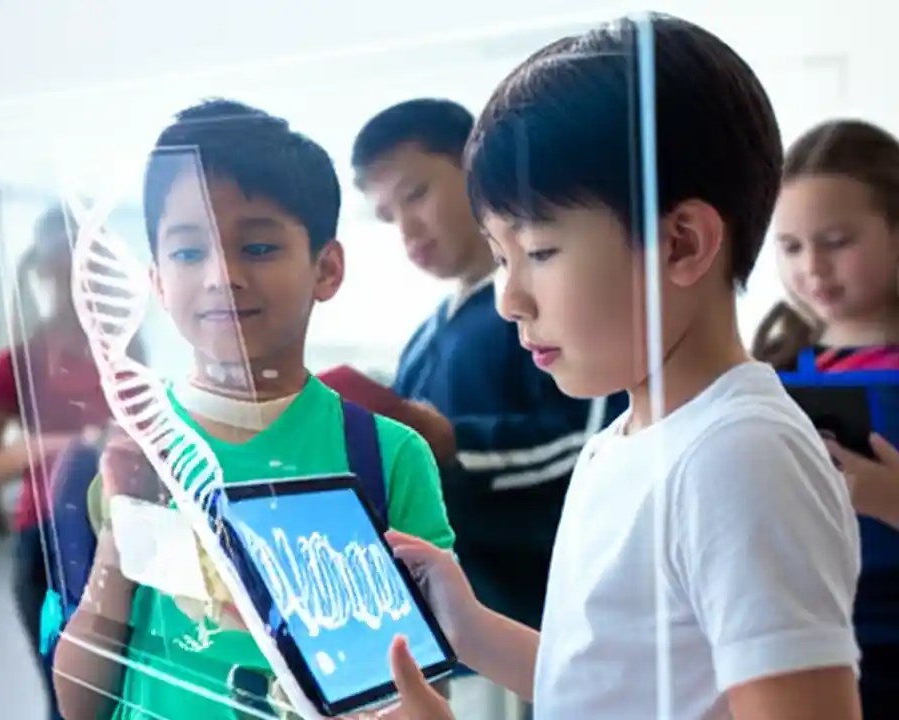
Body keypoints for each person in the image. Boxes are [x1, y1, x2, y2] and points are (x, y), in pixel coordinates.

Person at [381, 13, 863, 719]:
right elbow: (607, 685)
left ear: (681, 243)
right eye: (501, 257)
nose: (510, 300)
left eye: (539, 252)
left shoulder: (740, 456)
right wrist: (470, 630)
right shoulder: (622, 443)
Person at [52, 99, 456, 720]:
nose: (222, 275)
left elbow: (426, 692)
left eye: (259, 247)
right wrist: (119, 536)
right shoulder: (132, 453)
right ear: (156, 280)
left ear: (326, 268)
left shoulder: (387, 456)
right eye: (188, 253)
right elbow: (80, 704)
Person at [352, 98, 625, 629]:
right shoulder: (423, 339)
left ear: (476, 169)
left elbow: (595, 440)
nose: (407, 229)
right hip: (454, 626)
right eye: (388, 216)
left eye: (417, 195)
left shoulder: (553, 304)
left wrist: (456, 445)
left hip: (548, 620)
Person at [750, 118, 899, 716]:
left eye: (836, 241)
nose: (812, 266)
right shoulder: (772, 367)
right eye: (790, 246)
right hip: (808, 644)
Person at [0, 205, 111, 719]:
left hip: (115, 538)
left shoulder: (120, 351)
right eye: (76, 261)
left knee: (117, 698)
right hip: (46, 540)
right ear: (49, 270)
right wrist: (67, 445)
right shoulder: (17, 363)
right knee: (68, 701)